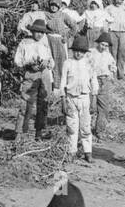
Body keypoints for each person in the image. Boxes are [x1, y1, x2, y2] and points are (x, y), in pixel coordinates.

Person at [13, 18, 54, 145]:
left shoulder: (45, 43)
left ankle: (39, 132)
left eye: (42, 32)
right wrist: (29, 63)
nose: (39, 34)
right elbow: (17, 61)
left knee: (43, 104)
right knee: (26, 104)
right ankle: (20, 133)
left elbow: (51, 61)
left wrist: (47, 63)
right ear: (32, 31)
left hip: (44, 75)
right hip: (30, 74)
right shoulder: (25, 42)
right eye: (37, 32)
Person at [58, 34, 97, 164]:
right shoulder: (68, 63)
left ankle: (88, 152)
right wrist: (63, 100)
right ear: (73, 51)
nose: (79, 54)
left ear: (85, 52)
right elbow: (63, 82)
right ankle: (71, 152)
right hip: (71, 98)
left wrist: (94, 99)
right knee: (72, 127)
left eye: (81, 52)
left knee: (85, 127)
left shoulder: (89, 63)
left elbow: (94, 81)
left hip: (85, 98)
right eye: (76, 51)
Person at [89, 31, 117, 141]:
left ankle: (99, 130)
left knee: (103, 107)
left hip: (104, 81)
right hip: (92, 79)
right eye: (102, 44)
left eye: (106, 45)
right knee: (90, 105)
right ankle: (86, 129)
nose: (104, 47)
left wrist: (112, 72)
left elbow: (112, 66)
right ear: (98, 43)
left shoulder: (108, 55)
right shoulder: (91, 52)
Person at [104, 0, 125, 78]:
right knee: (113, 52)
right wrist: (106, 33)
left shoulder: (124, 9)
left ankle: (121, 73)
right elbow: (105, 22)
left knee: (122, 53)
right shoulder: (109, 9)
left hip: (123, 33)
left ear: (123, 0)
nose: (119, 1)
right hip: (112, 32)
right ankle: (112, 73)